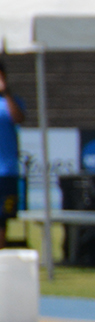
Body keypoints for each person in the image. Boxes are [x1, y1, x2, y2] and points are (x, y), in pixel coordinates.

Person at [0, 61, 24, 247]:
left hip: (6, 171)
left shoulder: (11, 102)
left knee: (1, 220)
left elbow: (18, 118)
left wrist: (6, 92)